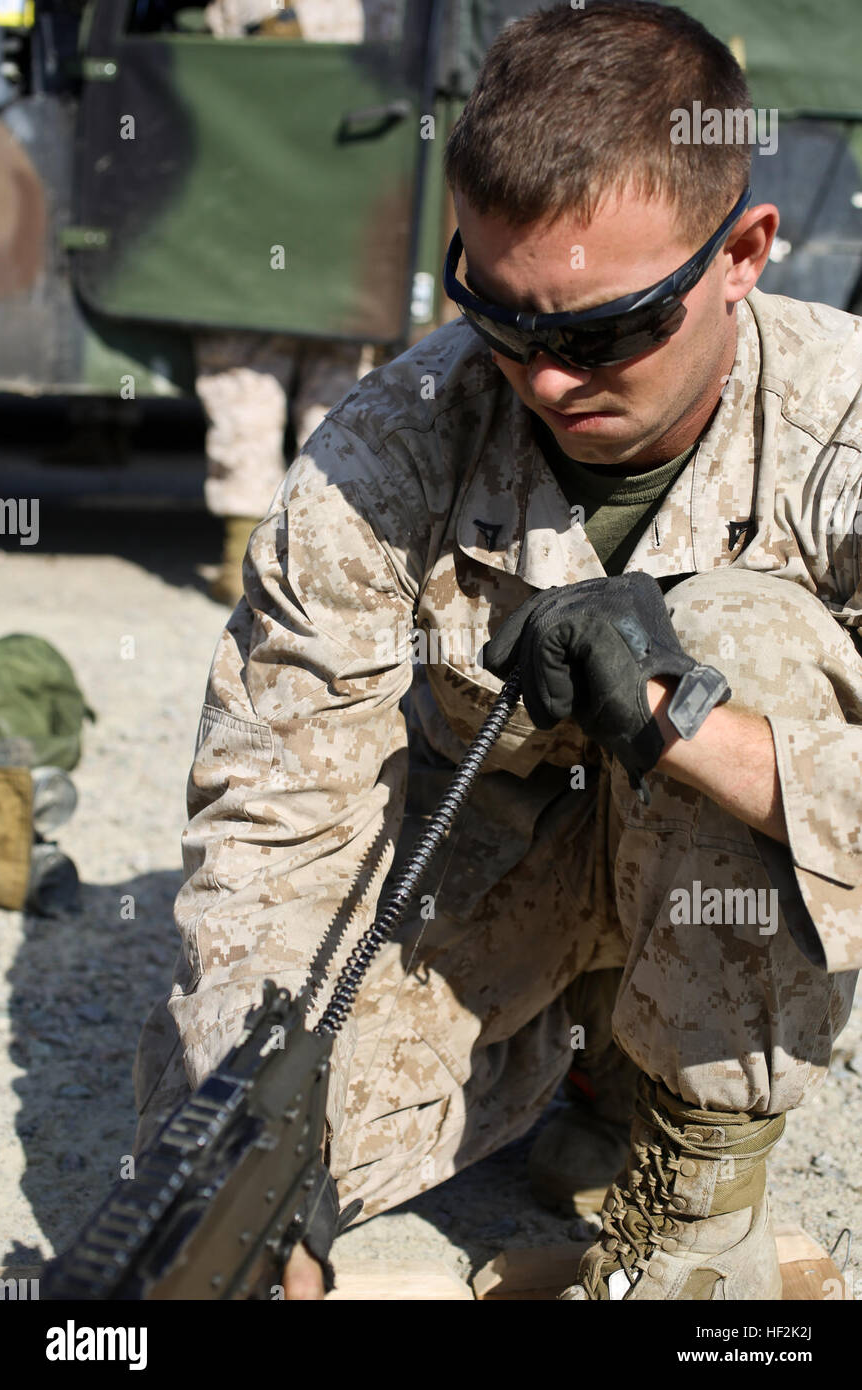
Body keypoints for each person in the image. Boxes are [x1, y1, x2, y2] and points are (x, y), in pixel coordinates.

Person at [133, 0, 862, 1301]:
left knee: (734, 636)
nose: (540, 379)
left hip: (717, 897)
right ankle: (567, 1071)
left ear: (743, 251)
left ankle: (691, 1179)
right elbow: (270, 828)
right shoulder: (388, 446)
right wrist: (249, 1141)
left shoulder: (842, 424)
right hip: (486, 882)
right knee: (227, 1172)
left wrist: (669, 717)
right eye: (498, 315)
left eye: (597, 333)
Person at [196, 0, 386, 603]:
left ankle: (240, 557)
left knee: (245, 385)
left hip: (254, 213)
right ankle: (311, 557)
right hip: (340, 219)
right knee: (335, 397)